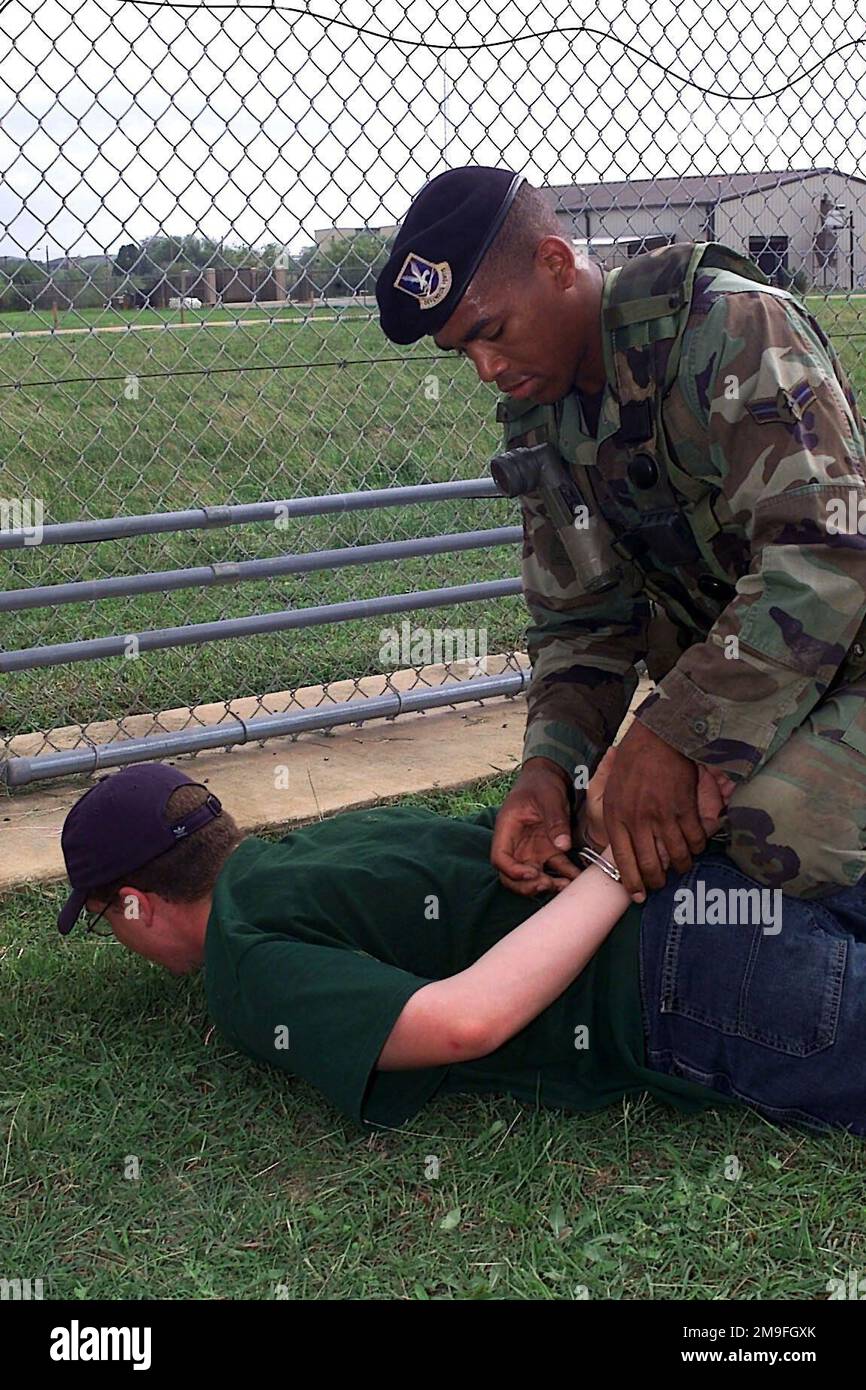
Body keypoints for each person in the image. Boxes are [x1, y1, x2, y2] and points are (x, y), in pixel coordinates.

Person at [375, 167, 866, 905]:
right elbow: (583, 623)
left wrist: (677, 735)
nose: (485, 370)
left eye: (493, 332)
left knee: (772, 827)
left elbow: (828, 555)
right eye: (461, 354)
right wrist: (550, 767)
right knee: (601, 812)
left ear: (555, 263)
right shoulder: (541, 415)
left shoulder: (731, 330)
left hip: (851, 659)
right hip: (757, 682)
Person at [56, 761, 866, 1135]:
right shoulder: (317, 847)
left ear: (132, 903)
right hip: (734, 872)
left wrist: (620, 868)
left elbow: (463, 1022)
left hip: (678, 982)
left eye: (103, 920)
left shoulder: (243, 968)